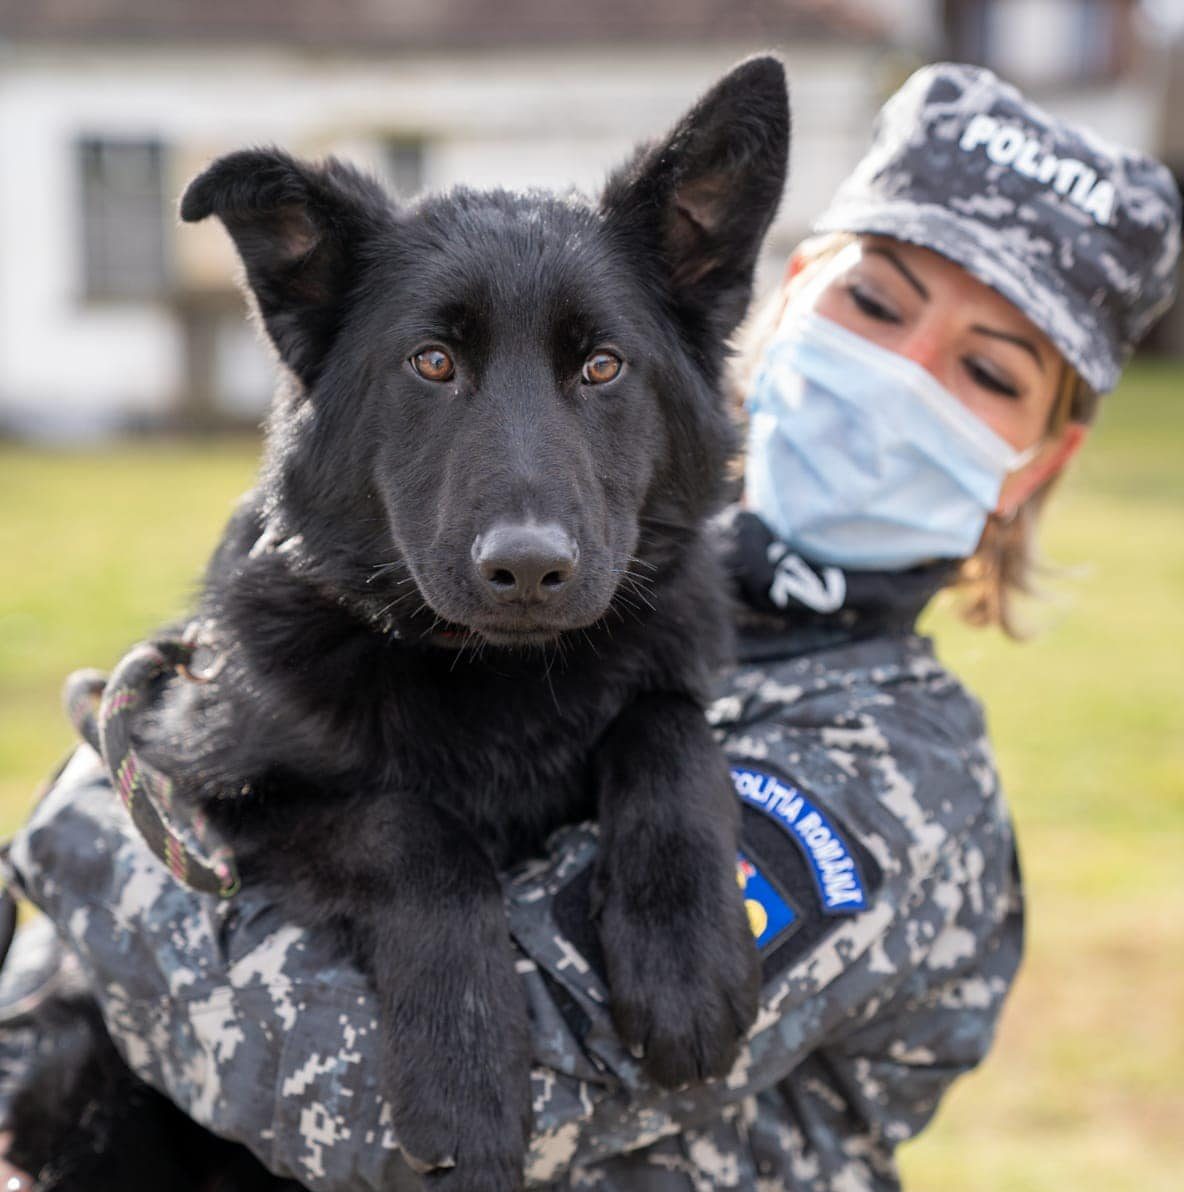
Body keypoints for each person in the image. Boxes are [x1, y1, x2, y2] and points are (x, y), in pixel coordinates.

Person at [0, 62, 1179, 1191]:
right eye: (875, 302)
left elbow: (368, 1105)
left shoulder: (897, 774)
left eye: (986, 371)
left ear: (1040, 460)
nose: (902, 381)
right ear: (789, 291)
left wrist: (86, 823)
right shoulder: (603, 568)